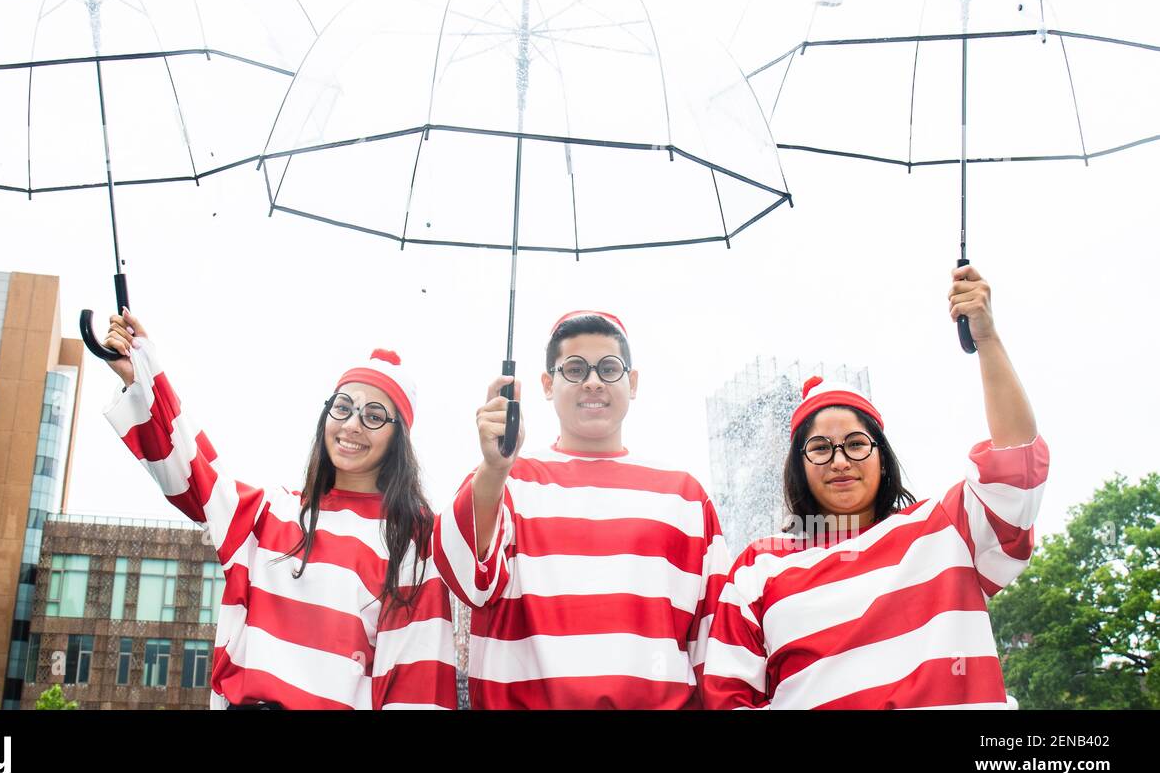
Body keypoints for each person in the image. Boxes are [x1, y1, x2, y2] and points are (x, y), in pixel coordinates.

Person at [701, 266, 1049, 709]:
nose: (840, 460)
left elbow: (1016, 460)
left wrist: (987, 336)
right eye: (821, 448)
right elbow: (727, 697)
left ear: (882, 456)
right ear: (798, 466)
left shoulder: (946, 527)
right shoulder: (758, 568)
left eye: (856, 444)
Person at [101, 309, 457, 709]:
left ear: (399, 438)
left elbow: (417, 687)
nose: (352, 425)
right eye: (342, 407)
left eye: (374, 416)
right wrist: (141, 375)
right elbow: (192, 469)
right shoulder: (271, 512)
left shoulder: (414, 540)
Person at [431, 310, 728, 709]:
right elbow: (462, 574)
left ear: (632, 382)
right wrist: (494, 468)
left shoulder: (685, 496)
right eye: (574, 369)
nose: (592, 381)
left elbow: (718, 642)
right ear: (548, 384)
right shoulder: (508, 481)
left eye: (608, 368)